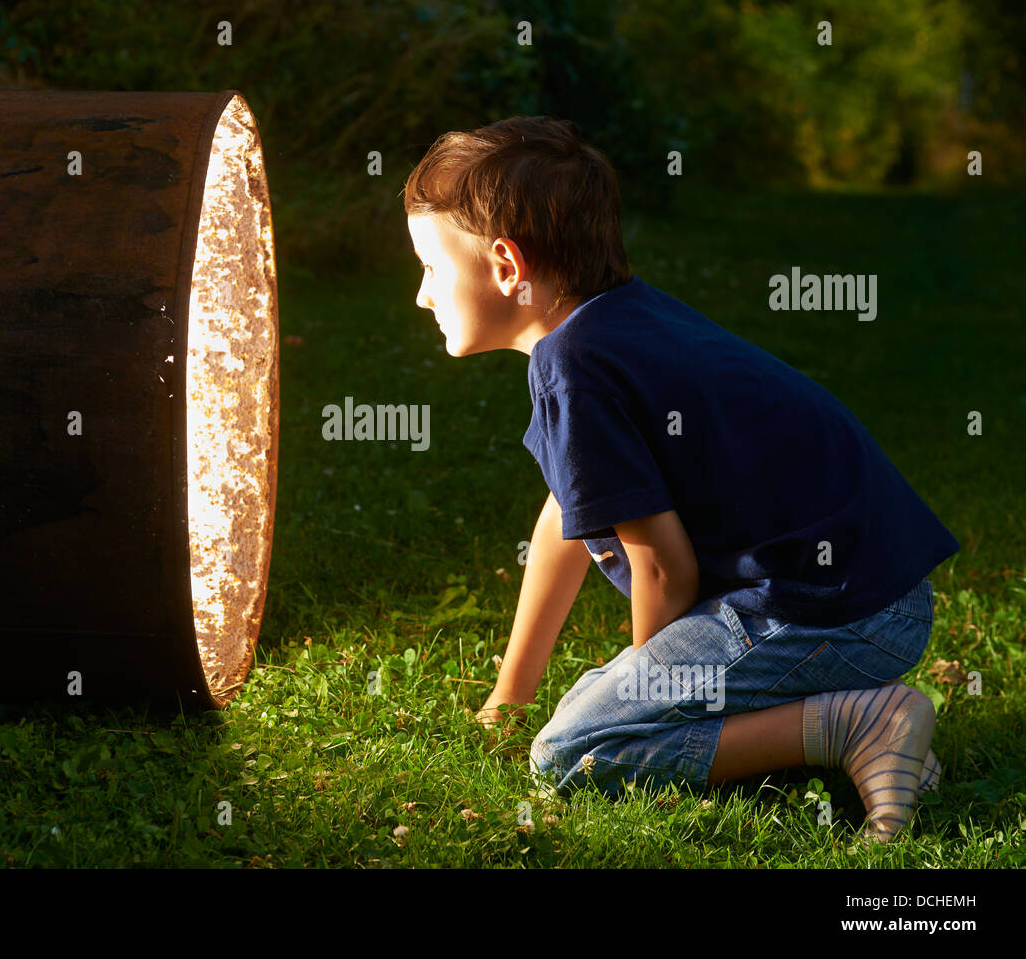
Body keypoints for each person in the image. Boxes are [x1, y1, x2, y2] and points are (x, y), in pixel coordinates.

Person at [402, 115, 959, 843]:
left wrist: (651, 698)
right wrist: (510, 698)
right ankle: (849, 728)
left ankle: (860, 724)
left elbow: (663, 567)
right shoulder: (618, 323)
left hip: (832, 610)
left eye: (431, 268)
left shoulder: (573, 367)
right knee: (592, 698)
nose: (422, 294)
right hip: (876, 599)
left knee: (571, 751)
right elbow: (561, 519)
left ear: (506, 267)